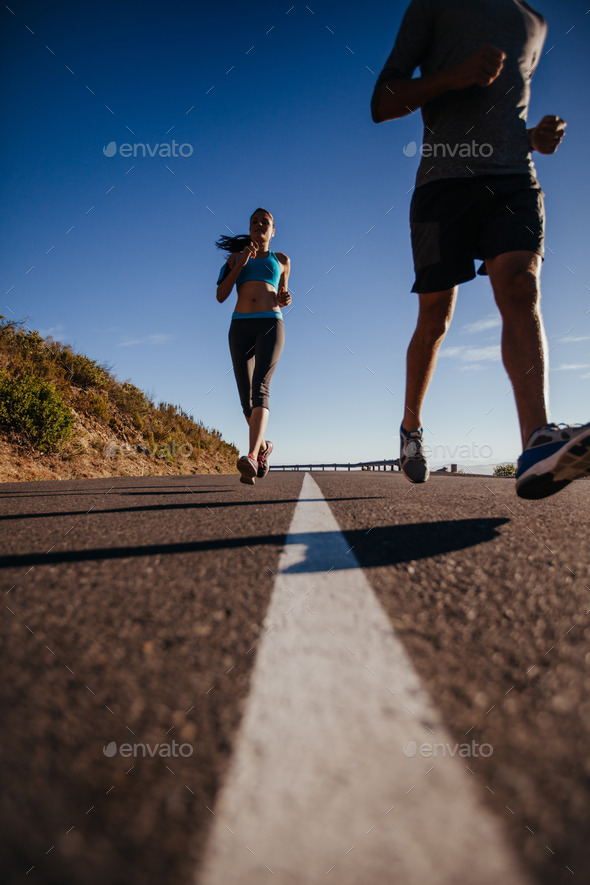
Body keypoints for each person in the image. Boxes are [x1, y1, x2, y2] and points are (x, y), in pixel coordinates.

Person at [371, 0, 590, 499]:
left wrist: (533, 137)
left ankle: (536, 442)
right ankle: (411, 430)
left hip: (514, 179)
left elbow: (507, 114)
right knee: (436, 319)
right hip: (442, 186)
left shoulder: (536, 22)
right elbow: (382, 102)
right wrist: (454, 76)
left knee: (520, 285)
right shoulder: (433, 6)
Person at [216, 208, 291, 485]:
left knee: (260, 387)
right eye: (255, 221)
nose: (260, 224)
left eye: (266, 222)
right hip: (240, 326)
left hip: (271, 323)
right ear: (249, 228)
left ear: (273, 231)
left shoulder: (282, 260)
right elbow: (221, 296)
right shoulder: (236, 258)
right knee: (245, 399)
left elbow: (282, 293)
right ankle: (264, 448)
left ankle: (249, 455)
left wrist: (285, 296)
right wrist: (240, 264)